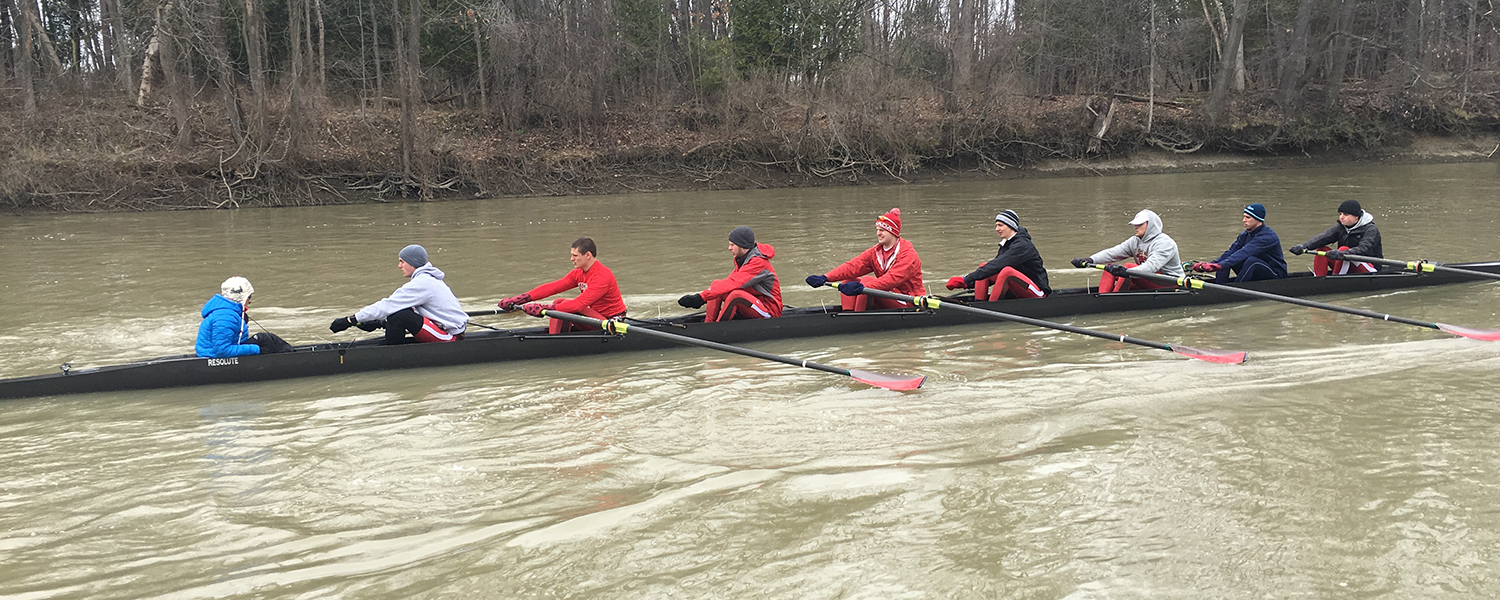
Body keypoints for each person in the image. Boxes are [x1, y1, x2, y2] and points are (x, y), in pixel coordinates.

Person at [329, 245, 468, 344]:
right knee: (399, 311)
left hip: (449, 337)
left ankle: (391, 352)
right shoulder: (426, 280)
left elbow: (387, 305)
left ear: (412, 263)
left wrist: (350, 320)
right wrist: (380, 323)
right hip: (444, 328)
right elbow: (395, 306)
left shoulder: (423, 283)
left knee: (399, 315)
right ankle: (392, 345)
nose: (399, 266)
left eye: (402, 261)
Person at [498, 237, 627, 334]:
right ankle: (555, 337)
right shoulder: (579, 273)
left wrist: (545, 307)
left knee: (567, 305)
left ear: (588, 255)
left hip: (610, 323)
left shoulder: (601, 276)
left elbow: (578, 305)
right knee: (560, 302)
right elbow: (553, 287)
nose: (571, 259)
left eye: (575, 255)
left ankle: (554, 343)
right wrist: (520, 299)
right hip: (593, 318)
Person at [805, 207, 924, 311]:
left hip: (909, 301)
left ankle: (857, 320)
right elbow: (853, 266)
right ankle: (849, 314)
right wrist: (826, 277)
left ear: (892, 232)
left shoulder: (907, 254)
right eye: (877, 230)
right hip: (887, 294)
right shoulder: (876, 252)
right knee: (849, 280)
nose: (878, 233)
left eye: (882, 230)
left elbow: (893, 279)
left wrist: (864, 287)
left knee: (866, 281)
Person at [678, 226, 783, 322]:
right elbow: (725, 286)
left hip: (770, 312)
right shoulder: (743, 259)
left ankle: (718, 329)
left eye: (732, 245)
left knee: (735, 296)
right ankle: (708, 324)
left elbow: (733, 283)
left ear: (742, 246)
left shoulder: (758, 262)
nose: (729, 248)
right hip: (753, 304)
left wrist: (700, 298)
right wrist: (705, 298)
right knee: (717, 286)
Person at [944, 209, 1050, 301]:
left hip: (1038, 293)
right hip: (1017, 290)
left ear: (1010, 226)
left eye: (1000, 225)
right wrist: (967, 284)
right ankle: (979, 303)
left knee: (1006, 272)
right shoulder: (1007, 244)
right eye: (996, 225)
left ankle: (991, 308)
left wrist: (966, 279)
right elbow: (991, 269)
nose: (997, 229)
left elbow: (998, 265)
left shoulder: (1023, 246)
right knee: (984, 266)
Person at [1070, 209, 1184, 293]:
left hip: (1171, 284)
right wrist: (1090, 259)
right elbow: (1113, 253)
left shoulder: (1164, 243)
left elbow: (1150, 268)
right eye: (1135, 224)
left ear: (1151, 225)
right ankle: (1101, 297)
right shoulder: (1135, 241)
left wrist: (1125, 271)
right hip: (1148, 279)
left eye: (1140, 224)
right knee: (1110, 268)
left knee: (1128, 267)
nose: (1135, 227)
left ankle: (1112, 300)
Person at [1190, 203, 1287, 284]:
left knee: (1251, 260)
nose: (1244, 220)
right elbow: (1231, 252)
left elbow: (1245, 252)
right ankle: (1220, 287)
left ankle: (1237, 288)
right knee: (1226, 260)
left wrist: (1219, 266)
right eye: (1244, 217)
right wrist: (1211, 265)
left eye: (1248, 217)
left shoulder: (1268, 237)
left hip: (1276, 274)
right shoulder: (1245, 235)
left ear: (1258, 220)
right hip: (1255, 272)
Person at [196, 277, 291, 358]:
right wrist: (258, 349)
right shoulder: (225, 317)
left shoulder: (228, 313)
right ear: (240, 298)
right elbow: (222, 351)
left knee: (265, 339)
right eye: (249, 297)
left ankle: (290, 355)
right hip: (213, 356)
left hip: (217, 352)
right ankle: (290, 360)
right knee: (264, 339)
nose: (249, 301)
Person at [1288, 199, 1383, 276]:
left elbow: (1363, 248)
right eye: (1340, 214)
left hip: (1369, 267)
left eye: (1345, 214)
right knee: (1322, 250)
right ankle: (1319, 278)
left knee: (1343, 249)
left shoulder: (1370, 230)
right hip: (1346, 263)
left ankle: (1335, 279)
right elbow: (1322, 238)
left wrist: (1344, 252)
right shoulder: (1341, 227)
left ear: (1356, 217)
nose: (1341, 217)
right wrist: (1304, 246)